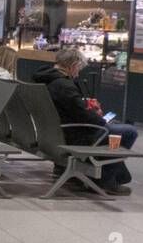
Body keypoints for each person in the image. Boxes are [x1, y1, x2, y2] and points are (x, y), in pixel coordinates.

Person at [33, 48, 136, 194]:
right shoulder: (64, 85)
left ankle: (71, 170)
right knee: (129, 131)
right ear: (73, 66)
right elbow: (83, 114)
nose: (78, 73)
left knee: (116, 130)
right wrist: (101, 120)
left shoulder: (45, 80)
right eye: (79, 68)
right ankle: (105, 179)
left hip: (55, 133)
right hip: (73, 135)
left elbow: (74, 108)